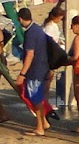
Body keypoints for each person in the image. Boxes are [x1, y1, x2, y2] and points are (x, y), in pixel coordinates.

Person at [14, 7, 53, 136]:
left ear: (20, 19)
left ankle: (40, 127)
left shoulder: (30, 33)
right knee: (38, 97)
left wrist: (22, 74)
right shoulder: (38, 29)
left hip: (35, 70)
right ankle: (43, 123)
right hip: (42, 68)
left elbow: (30, 55)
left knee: (35, 99)